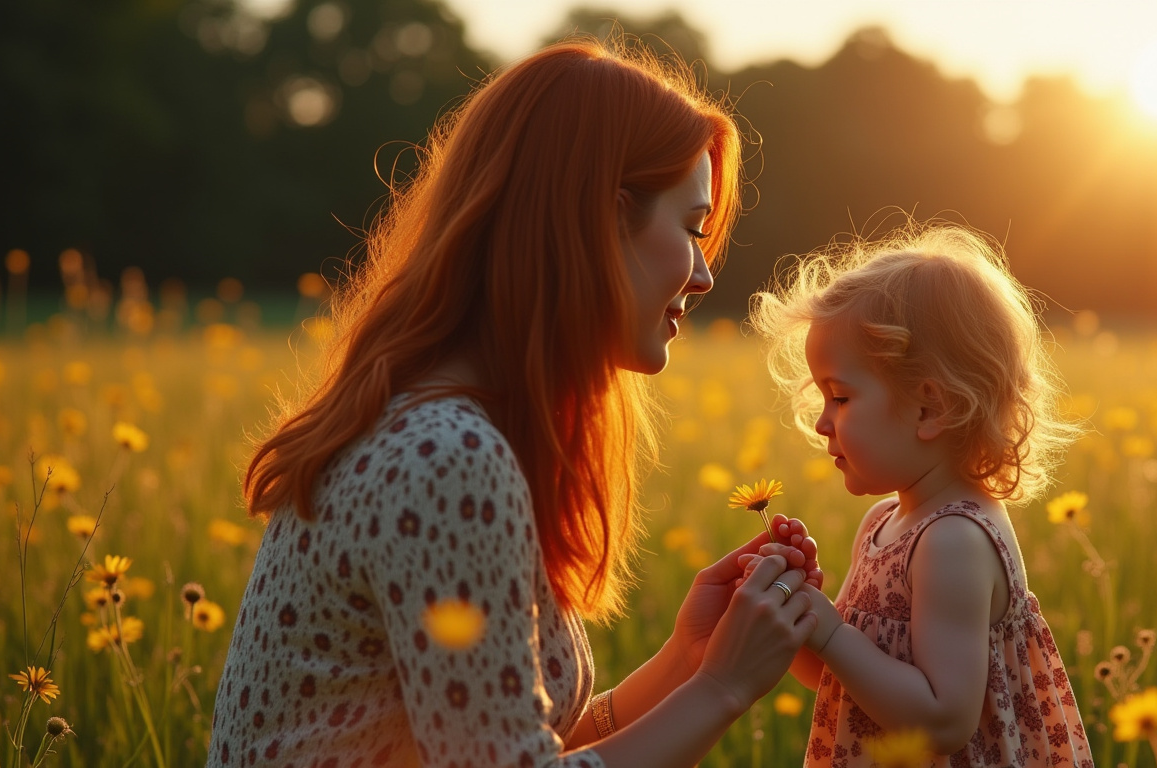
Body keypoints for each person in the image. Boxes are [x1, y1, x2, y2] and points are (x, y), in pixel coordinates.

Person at [209, 38, 824, 768]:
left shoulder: (432, 427)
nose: (703, 275)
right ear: (602, 222)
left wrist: (689, 659)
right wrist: (722, 686)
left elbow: (515, 745)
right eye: (691, 228)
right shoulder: (445, 458)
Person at [746, 223, 1094, 766]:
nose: (821, 422)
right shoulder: (885, 522)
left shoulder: (953, 540)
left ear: (930, 408)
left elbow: (943, 720)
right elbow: (834, 679)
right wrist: (797, 612)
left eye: (839, 397)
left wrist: (832, 630)